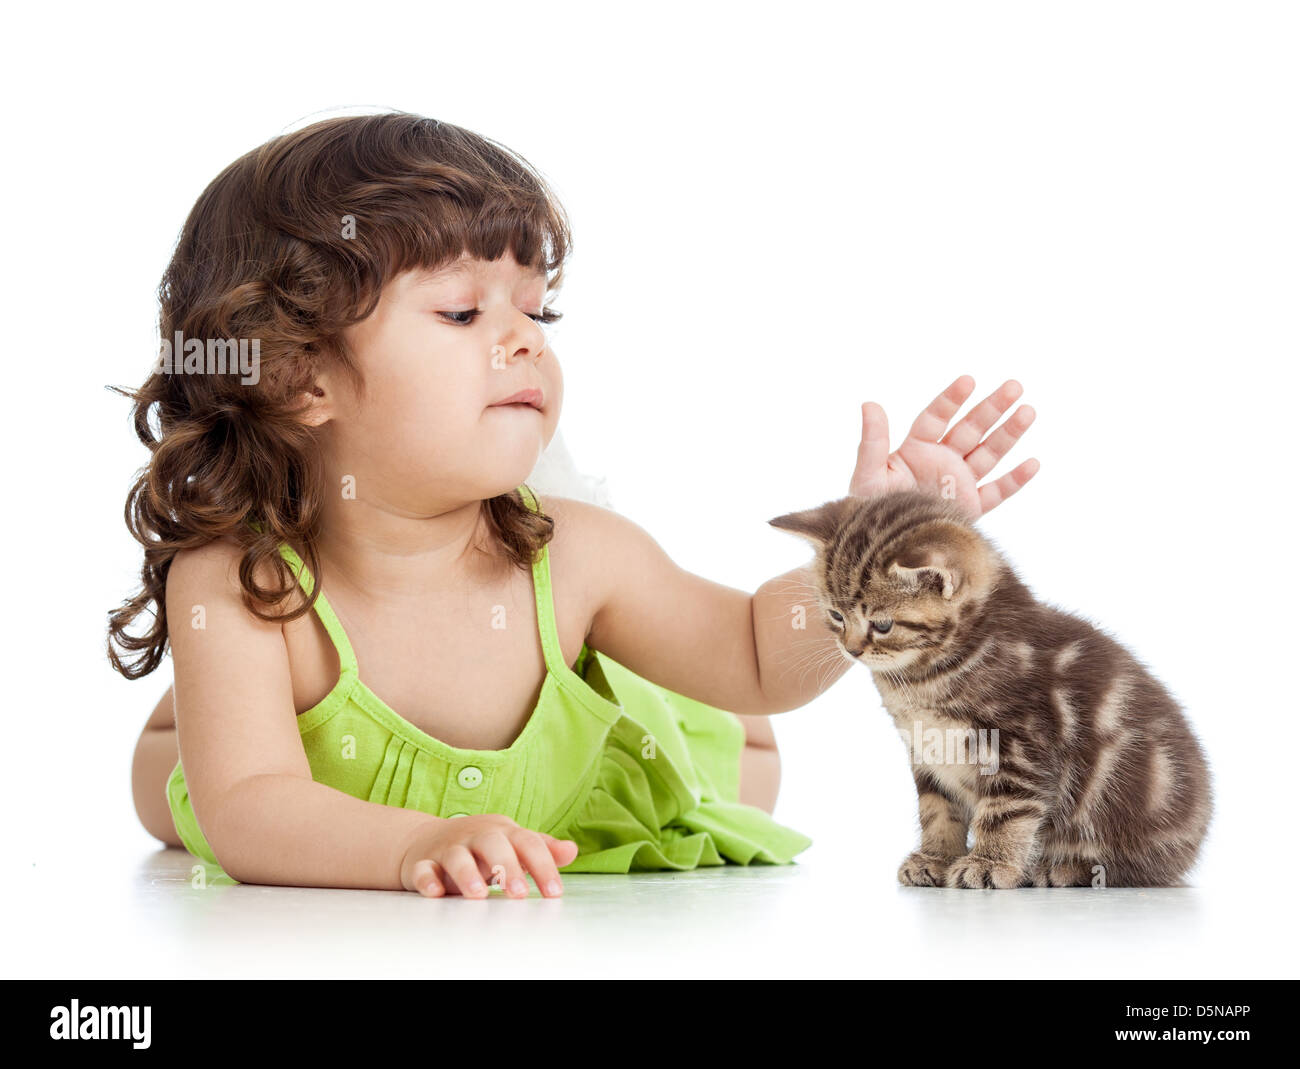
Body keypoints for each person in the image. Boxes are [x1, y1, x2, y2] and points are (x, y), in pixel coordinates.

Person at [113, 112, 1038, 899]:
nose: (525, 341)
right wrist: (404, 848)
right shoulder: (243, 581)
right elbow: (246, 809)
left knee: (742, 761)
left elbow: (760, 655)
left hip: (581, 776)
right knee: (185, 794)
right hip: (310, 757)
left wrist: (876, 540)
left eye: (536, 314)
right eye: (464, 314)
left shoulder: (577, 555)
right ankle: (184, 728)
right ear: (296, 373)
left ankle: (655, 695)